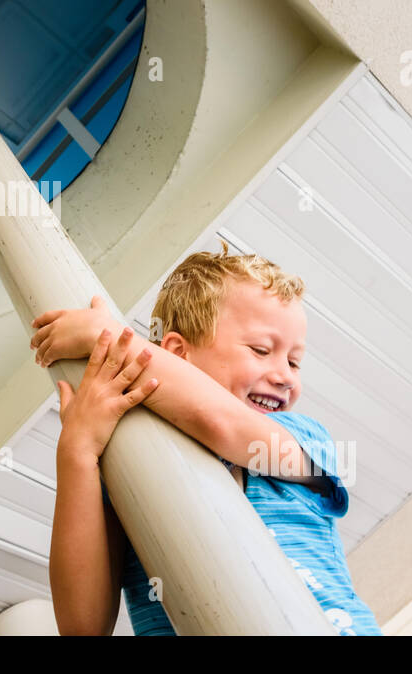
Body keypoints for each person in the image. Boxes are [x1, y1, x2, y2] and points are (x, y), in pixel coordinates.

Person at [31, 243, 382, 635]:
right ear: (179, 354)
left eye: (294, 361)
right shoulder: (127, 465)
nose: (286, 376)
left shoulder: (300, 442)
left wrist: (109, 337)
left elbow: (222, 425)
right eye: (261, 350)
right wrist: (78, 452)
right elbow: (83, 626)